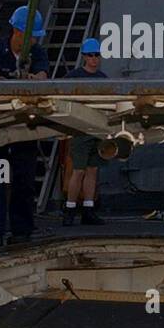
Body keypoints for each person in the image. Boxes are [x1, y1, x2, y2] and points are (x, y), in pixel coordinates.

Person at [0, 5, 48, 247]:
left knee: (24, 179)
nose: (32, 41)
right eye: (30, 36)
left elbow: (43, 76)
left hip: (24, 127)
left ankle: (22, 229)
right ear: (17, 32)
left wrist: (35, 79)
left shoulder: (37, 53)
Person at [61, 37, 107, 226]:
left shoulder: (103, 79)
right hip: (80, 129)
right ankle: (70, 208)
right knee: (78, 171)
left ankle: (88, 208)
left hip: (96, 129)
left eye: (96, 55)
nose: (94, 59)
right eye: (91, 55)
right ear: (84, 57)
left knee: (92, 170)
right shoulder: (73, 77)